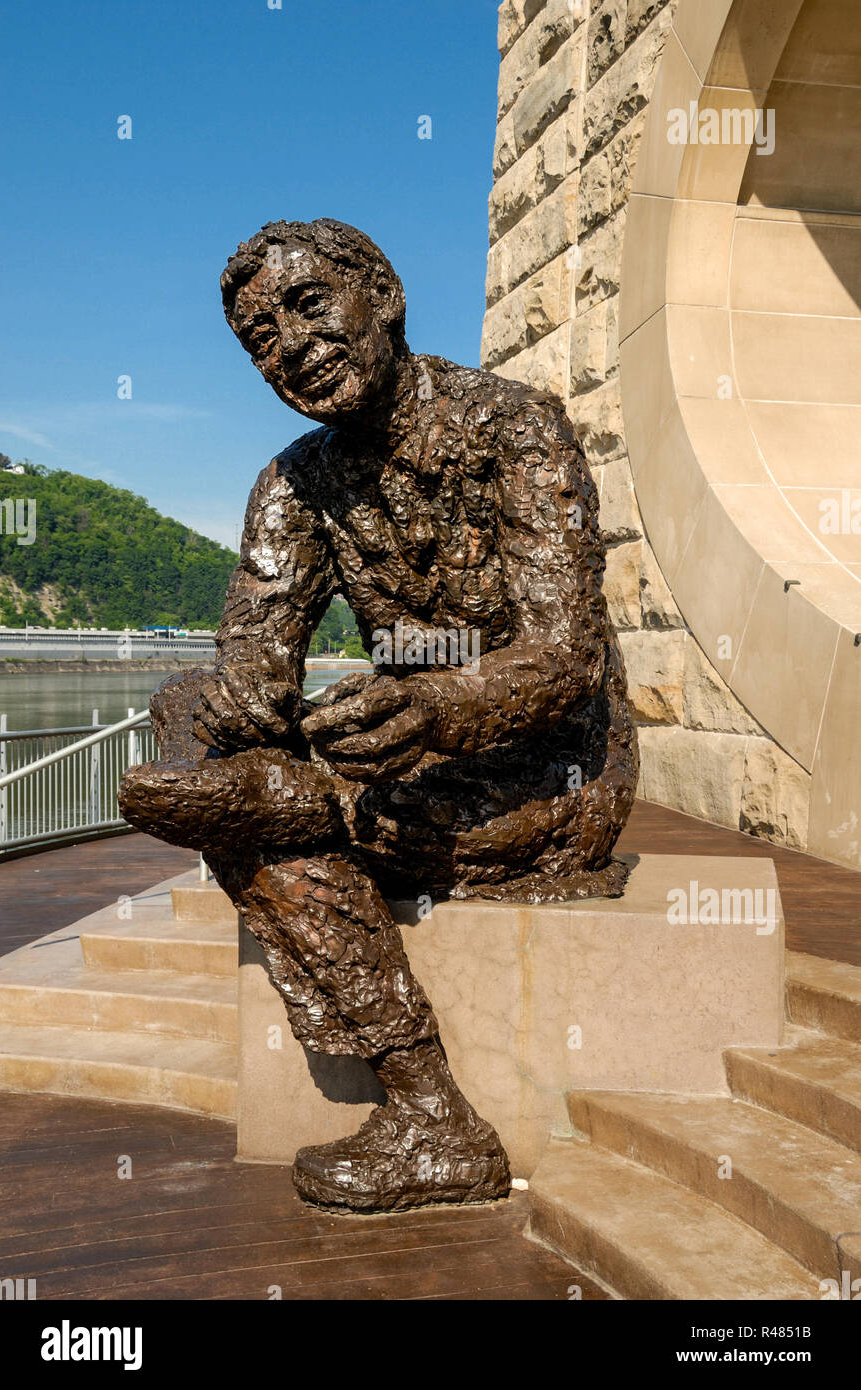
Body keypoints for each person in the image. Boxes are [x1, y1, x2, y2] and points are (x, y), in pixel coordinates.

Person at [119, 218, 638, 1212]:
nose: (292, 346)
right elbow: (249, 678)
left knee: (271, 820)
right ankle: (430, 1117)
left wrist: (440, 703)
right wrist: (206, 723)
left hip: (554, 768)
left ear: (382, 297)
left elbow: (566, 657)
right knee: (226, 763)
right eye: (261, 339)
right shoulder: (294, 485)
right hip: (402, 769)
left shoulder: (517, 429)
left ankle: (433, 1119)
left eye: (310, 306)